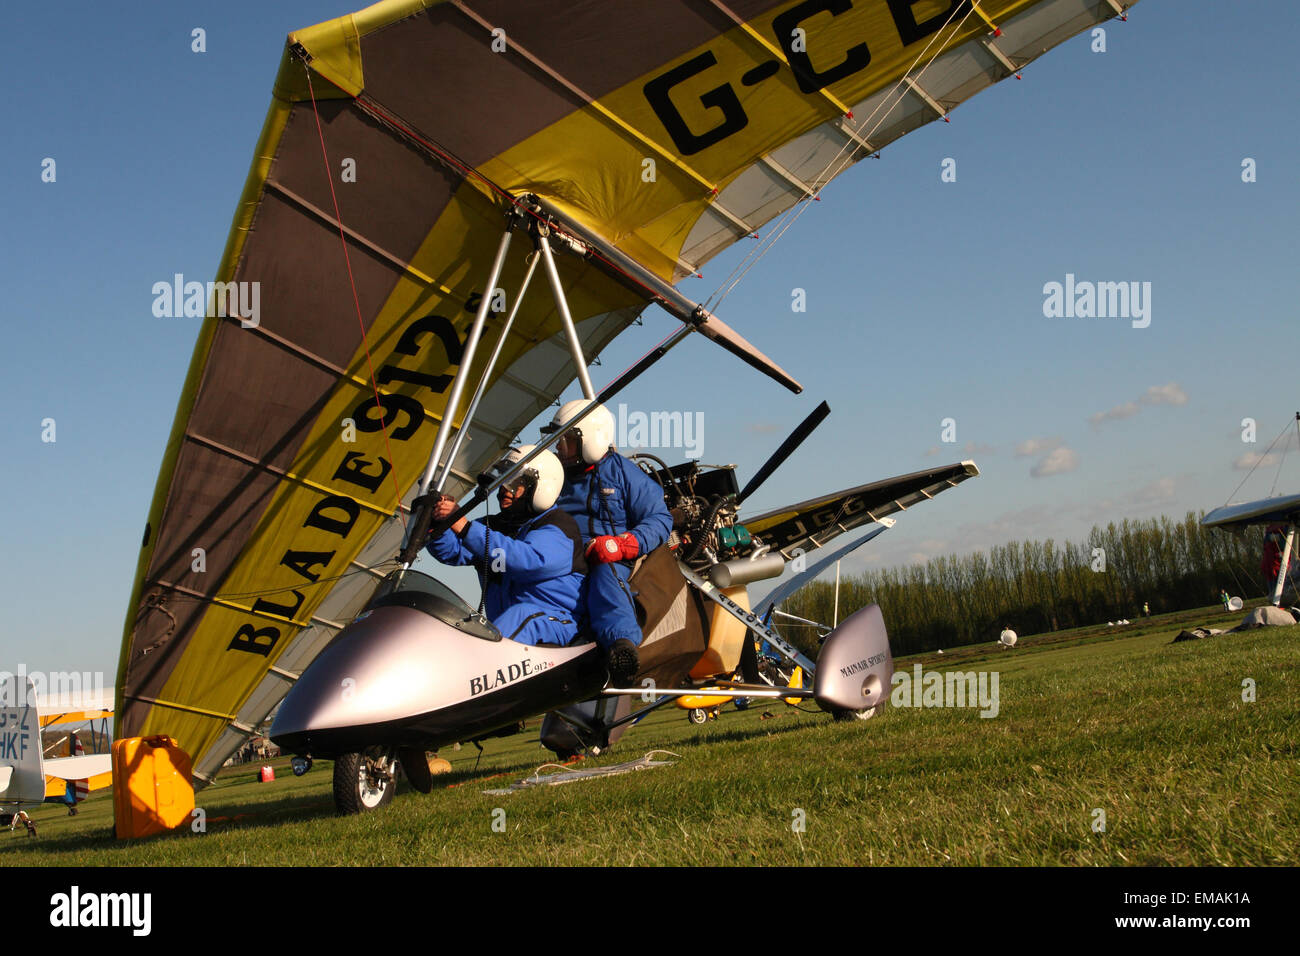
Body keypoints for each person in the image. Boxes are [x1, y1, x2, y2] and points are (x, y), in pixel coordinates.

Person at [542, 400, 673, 681]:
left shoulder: (623, 473)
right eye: (557, 439)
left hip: (611, 557)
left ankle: (621, 646)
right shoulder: (552, 476)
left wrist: (619, 545)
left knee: (605, 574)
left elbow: (659, 519)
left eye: (566, 440)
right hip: (562, 557)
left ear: (589, 440)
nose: (558, 447)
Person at [426, 445, 586, 646]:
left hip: (560, 626)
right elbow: (452, 551)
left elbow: (527, 561)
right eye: (504, 482)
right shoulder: (495, 526)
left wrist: (465, 527)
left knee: (523, 616)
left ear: (540, 488)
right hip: (508, 630)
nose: (504, 491)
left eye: (515, 484)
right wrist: (436, 523)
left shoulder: (559, 527)